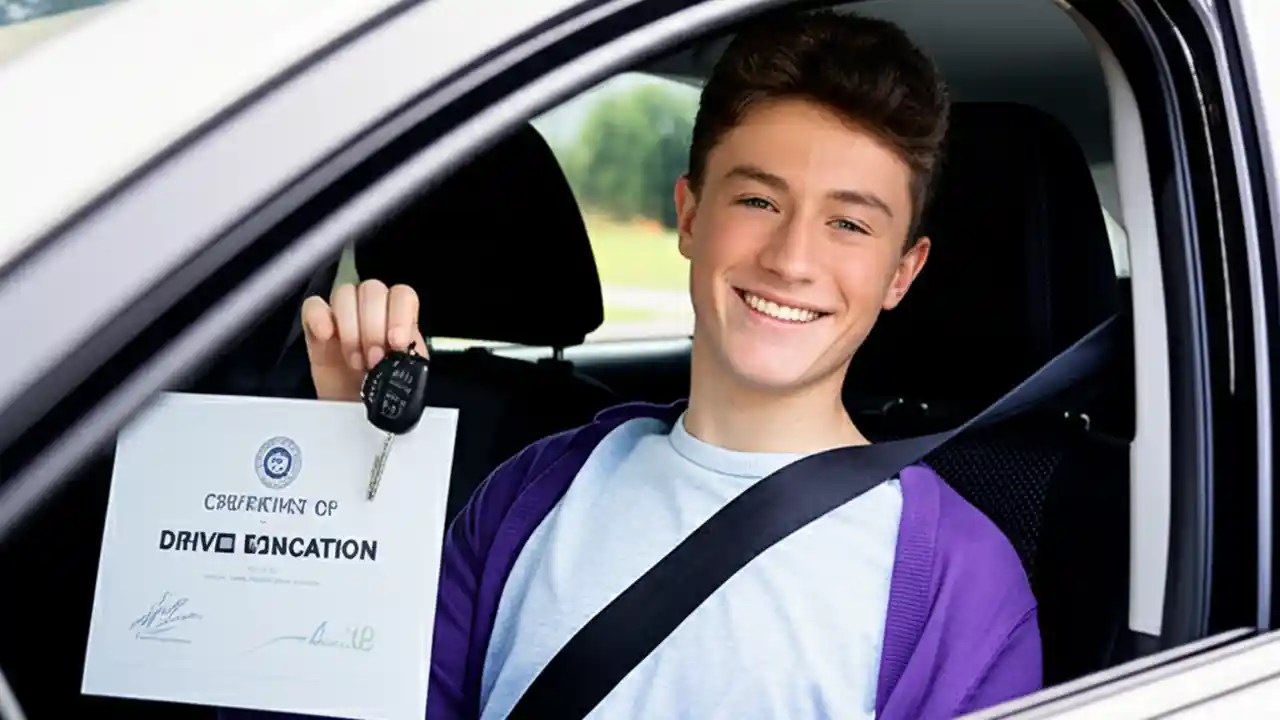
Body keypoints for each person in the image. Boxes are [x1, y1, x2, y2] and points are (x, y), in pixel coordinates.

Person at [278, 8, 1039, 720]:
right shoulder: (530, 494)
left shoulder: (959, 586)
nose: (792, 259)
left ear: (902, 273)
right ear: (689, 215)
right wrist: (350, 457)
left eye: (848, 223)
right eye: (759, 202)